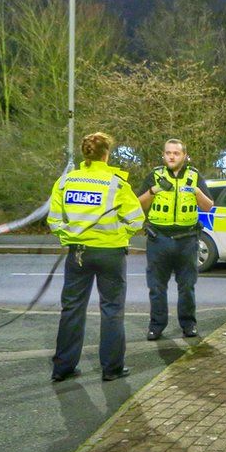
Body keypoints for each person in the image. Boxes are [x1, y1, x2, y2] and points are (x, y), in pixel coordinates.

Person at [47, 132, 145, 382]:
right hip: (110, 254)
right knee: (112, 310)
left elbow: (55, 222)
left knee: (72, 309)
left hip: (78, 253)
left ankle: (63, 368)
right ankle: (111, 369)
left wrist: (71, 235)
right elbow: (136, 220)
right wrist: (117, 233)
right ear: (107, 154)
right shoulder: (116, 183)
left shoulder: (66, 182)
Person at [137, 139, 213, 340]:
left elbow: (208, 207)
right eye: (168, 153)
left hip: (186, 240)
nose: (171, 156)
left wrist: (196, 191)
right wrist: (153, 190)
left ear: (184, 156)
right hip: (158, 239)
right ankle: (156, 326)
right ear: (163, 155)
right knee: (156, 287)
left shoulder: (194, 176)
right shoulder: (155, 175)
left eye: (176, 153)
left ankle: (189, 325)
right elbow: (139, 205)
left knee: (187, 286)